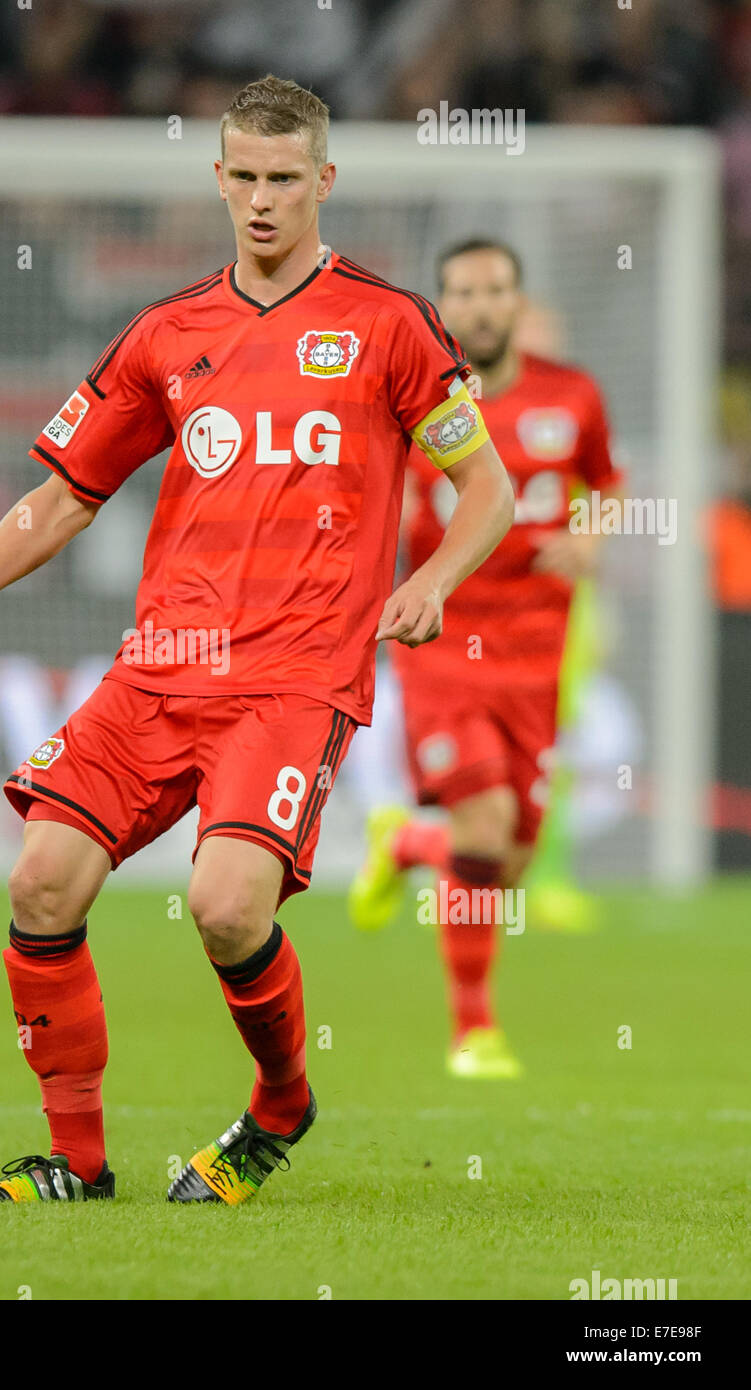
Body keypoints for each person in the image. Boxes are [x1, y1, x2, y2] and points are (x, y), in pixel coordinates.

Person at [0, 78, 513, 1203]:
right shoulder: (168, 333)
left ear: (323, 182)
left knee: (224, 906)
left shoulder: (389, 324)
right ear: (216, 178)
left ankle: (278, 1104)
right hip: (158, 671)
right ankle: (76, 1164)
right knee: (41, 885)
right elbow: (65, 496)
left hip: (293, 679)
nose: (262, 201)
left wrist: (433, 576)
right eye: (243, 178)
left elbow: (486, 490)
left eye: (284, 179)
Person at [349, 239, 622, 1079]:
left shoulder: (570, 395)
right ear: (441, 304)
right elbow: (363, 489)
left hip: (536, 655)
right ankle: (474, 1033)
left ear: (516, 300)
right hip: (443, 647)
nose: (478, 305)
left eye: (494, 289)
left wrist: (588, 535)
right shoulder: (417, 398)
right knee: (484, 826)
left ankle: (403, 847)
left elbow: (608, 486)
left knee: (506, 858)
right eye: (461, 291)